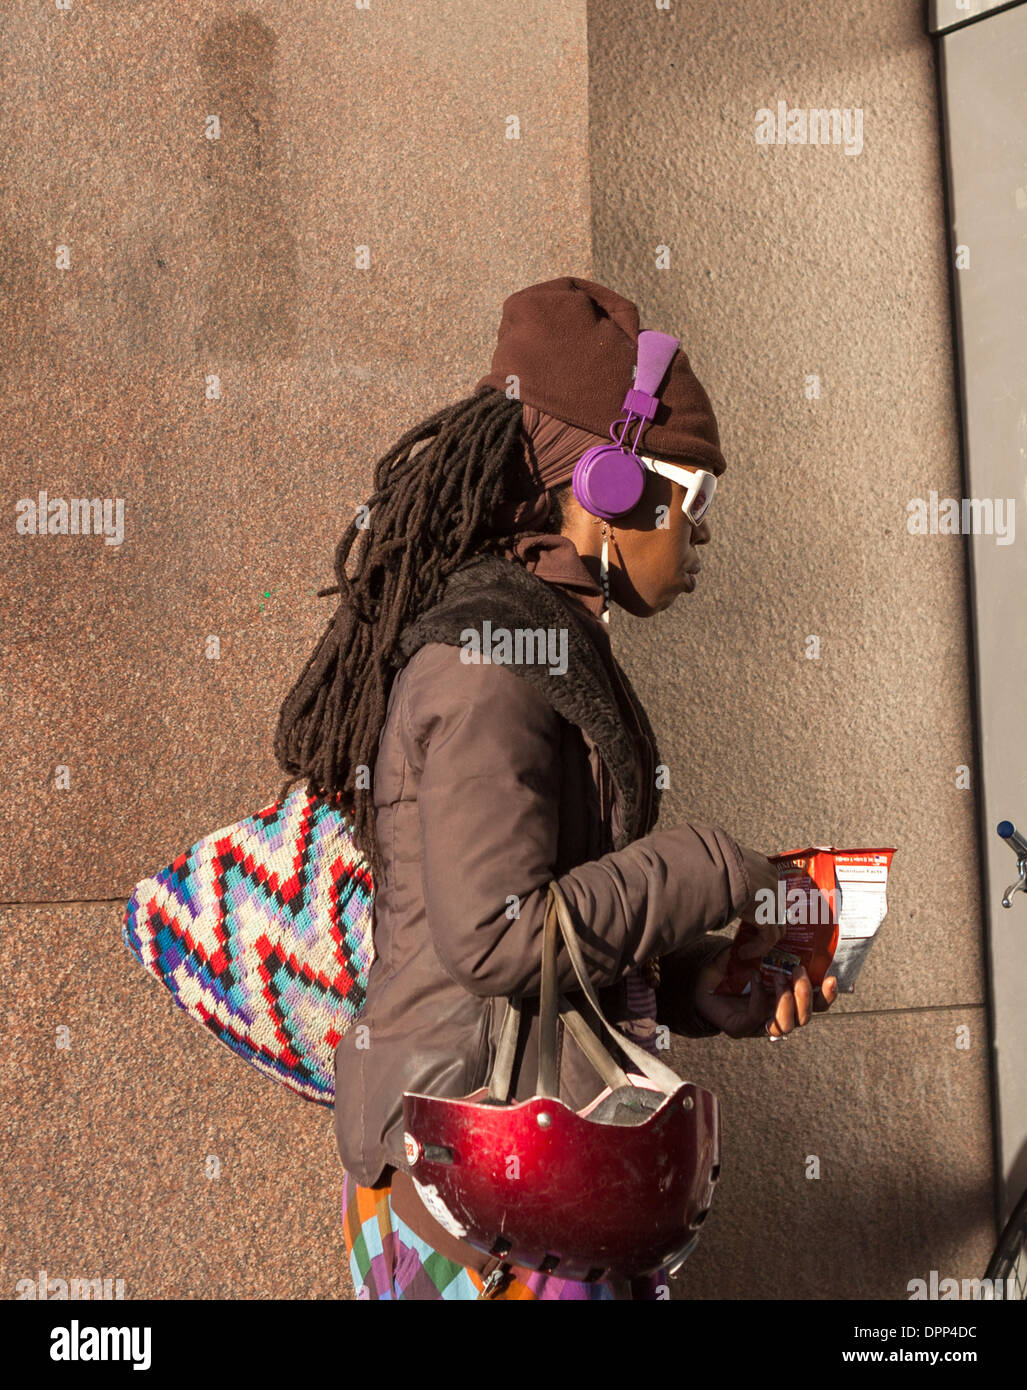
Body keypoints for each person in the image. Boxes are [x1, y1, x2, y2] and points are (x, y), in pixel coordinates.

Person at [273, 276, 838, 1300]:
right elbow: (495, 936)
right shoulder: (487, 665)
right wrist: (718, 868)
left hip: (518, 1184)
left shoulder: (536, 641)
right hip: (475, 1208)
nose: (703, 532)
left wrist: (689, 989)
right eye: (691, 497)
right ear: (610, 487)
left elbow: (546, 940)